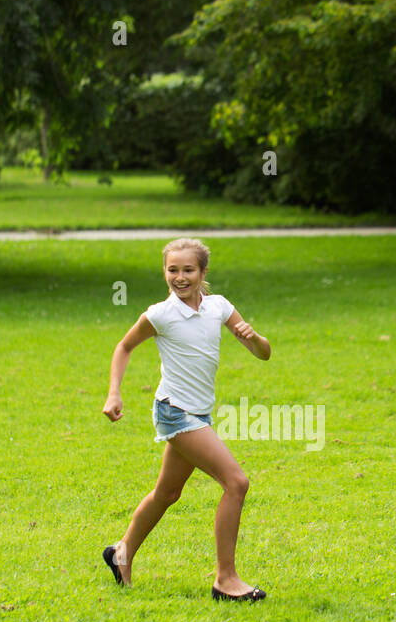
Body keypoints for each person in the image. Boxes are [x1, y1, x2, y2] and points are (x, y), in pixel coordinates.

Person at [101, 237, 271, 601]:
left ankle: (121, 554)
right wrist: (114, 392)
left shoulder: (219, 308)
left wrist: (252, 337)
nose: (179, 277)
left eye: (188, 270)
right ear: (165, 272)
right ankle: (226, 580)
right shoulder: (161, 314)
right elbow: (124, 346)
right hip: (175, 412)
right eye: (172, 270)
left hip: (199, 411)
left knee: (167, 493)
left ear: (203, 272)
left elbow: (264, 354)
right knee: (236, 483)